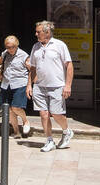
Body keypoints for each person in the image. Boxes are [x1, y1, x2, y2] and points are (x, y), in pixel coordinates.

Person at [27, 20, 74, 152]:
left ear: (47, 32)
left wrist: (68, 85)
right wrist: (29, 86)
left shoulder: (60, 45)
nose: (36, 34)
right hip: (40, 86)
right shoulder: (35, 47)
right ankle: (49, 140)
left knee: (56, 114)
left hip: (57, 86)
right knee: (43, 114)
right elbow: (33, 68)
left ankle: (66, 131)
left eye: (38, 31)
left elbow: (69, 66)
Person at [0, 34, 32, 139]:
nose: (10, 49)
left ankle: (25, 121)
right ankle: (16, 132)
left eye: (12, 47)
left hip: (19, 84)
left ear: (17, 45)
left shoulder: (24, 55)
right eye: (8, 47)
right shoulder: (5, 54)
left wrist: (29, 85)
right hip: (6, 84)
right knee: (9, 109)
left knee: (16, 107)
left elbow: (32, 70)